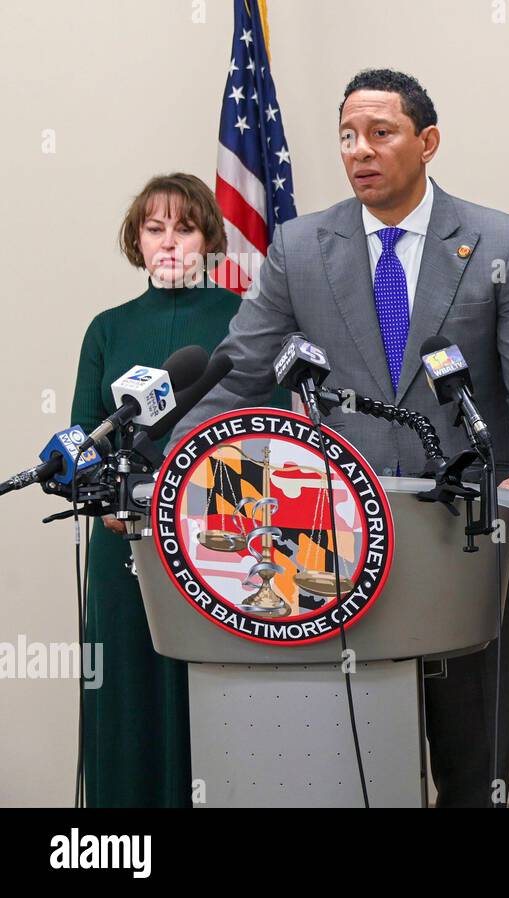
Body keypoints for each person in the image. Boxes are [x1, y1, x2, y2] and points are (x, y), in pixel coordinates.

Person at [167, 69, 509, 807]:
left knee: (471, 774)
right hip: (333, 559)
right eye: (348, 137)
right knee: (352, 770)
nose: (360, 150)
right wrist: (169, 469)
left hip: (470, 550)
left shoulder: (498, 243)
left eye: (380, 134)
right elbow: (234, 378)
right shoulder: (299, 247)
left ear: (427, 143)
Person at [71, 172, 288, 806]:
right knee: (127, 693)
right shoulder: (107, 328)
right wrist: (105, 496)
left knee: (209, 692)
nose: (170, 243)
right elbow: (87, 437)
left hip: (215, 550)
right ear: (137, 240)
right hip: (121, 547)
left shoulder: (243, 321)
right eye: (155, 228)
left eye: (185, 228)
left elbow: (264, 435)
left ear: (209, 238)